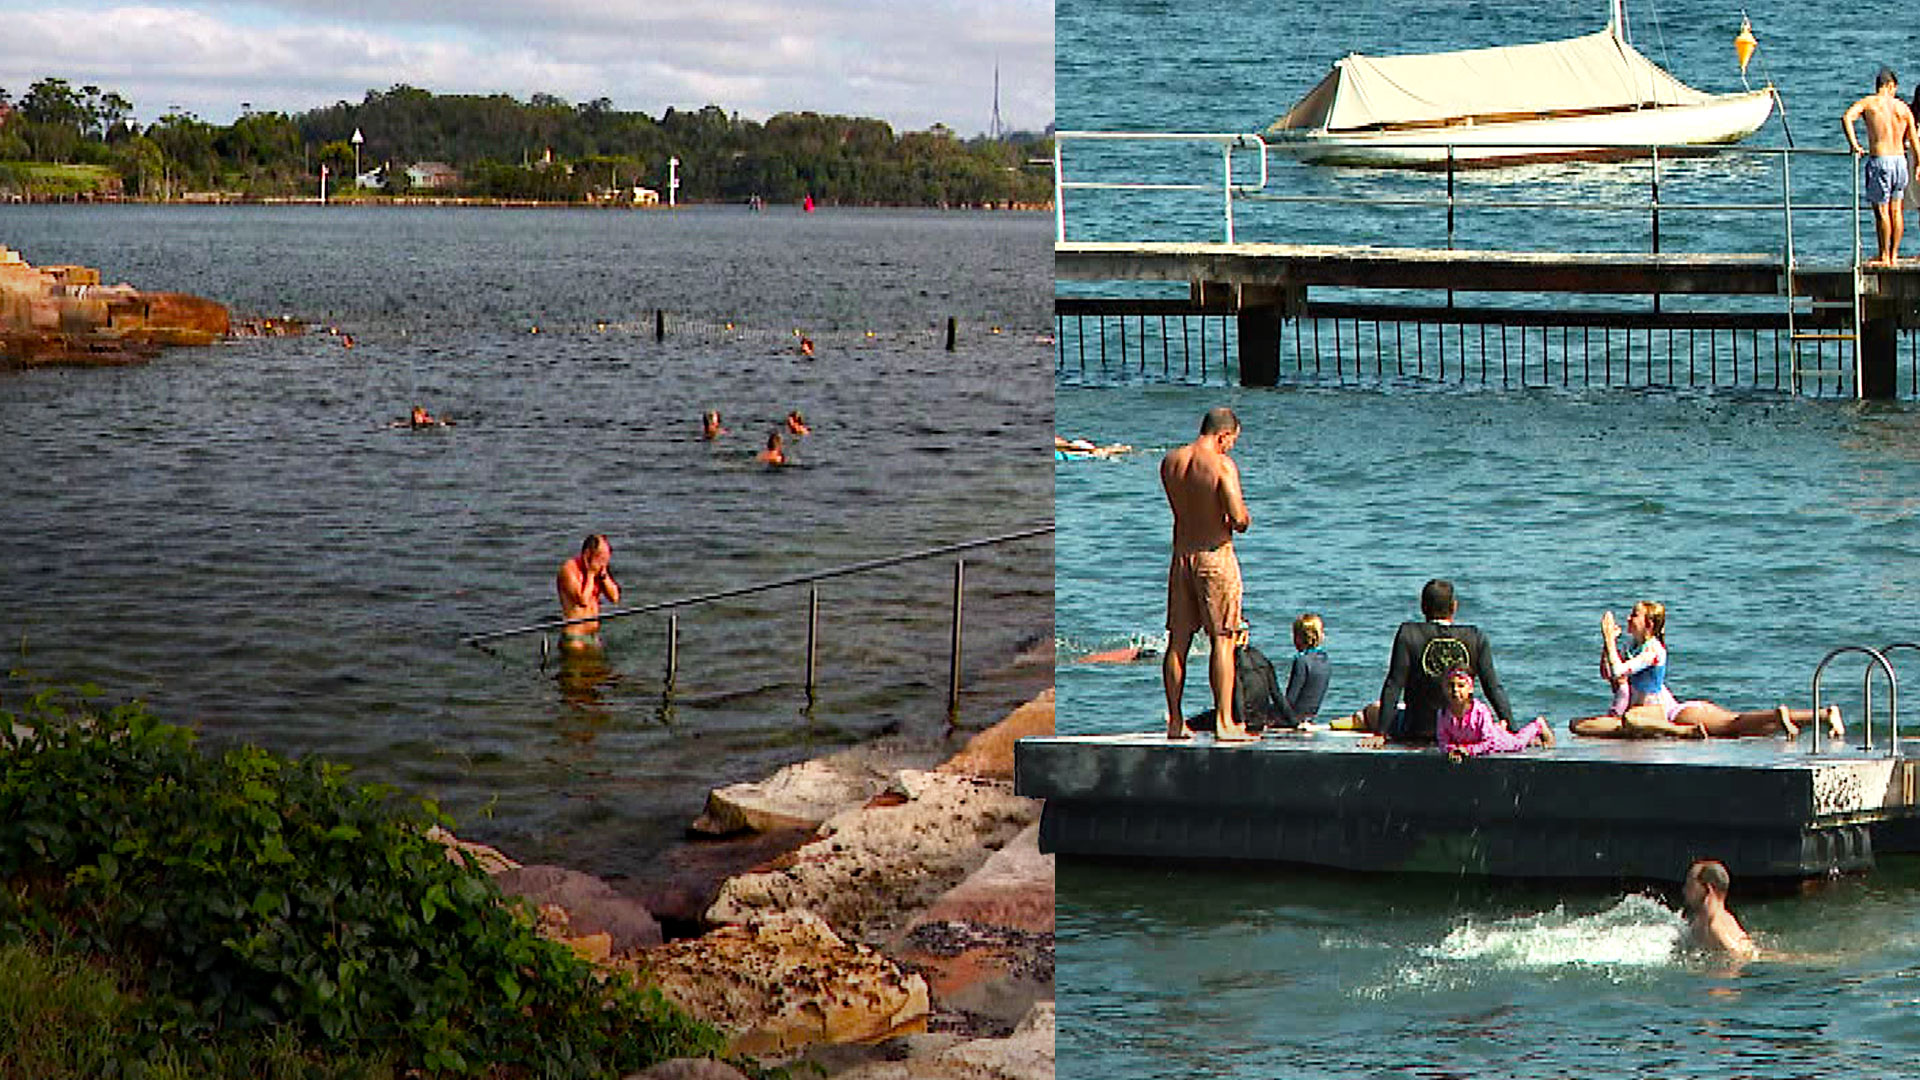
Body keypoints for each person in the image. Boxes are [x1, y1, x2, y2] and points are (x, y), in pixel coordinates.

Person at [1569, 601, 1841, 739]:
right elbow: (1610, 675)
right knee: (1579, 726)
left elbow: (1618, 672)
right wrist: (1609, 645)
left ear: (1649, 625)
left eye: (1634, 615)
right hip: (1651, 714)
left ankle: (1821, 714)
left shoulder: (1653, 651)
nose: (1629, 618)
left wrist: (1607, 640)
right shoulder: (1635, 647)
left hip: (1672, 714)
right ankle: (1804, 717)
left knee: (1735, 724)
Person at [1160, 407, 1251, 740]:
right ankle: (1224, 723)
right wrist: (1241, 520)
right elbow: (1238, 517)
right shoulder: (1221, 465)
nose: (1231, 448)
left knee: (1177, 642)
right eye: (1232, 442)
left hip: (1181, 556)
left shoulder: (1171, 462)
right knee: (1223, 639)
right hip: (1214, 557)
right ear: (1223, 435)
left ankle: (1175, 721)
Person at [1340, 579, 1519, 744]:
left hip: (1418, 729)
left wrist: (1381, 733)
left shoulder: (1408, 634)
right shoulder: (1475, 637)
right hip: (1461, 730)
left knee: (1373, 711)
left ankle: (1355, 720)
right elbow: (1493, 688)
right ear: (1454, 607)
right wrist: (1513, 730)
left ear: (1423, 607)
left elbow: (1394, 685)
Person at [1842, 68, 1920, 266]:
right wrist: (1919, 163)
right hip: (1900, 161)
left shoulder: (1869, 103)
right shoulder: (1903, 108)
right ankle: (1894, 256)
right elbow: (1913, 138)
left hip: (1881, 160)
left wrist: (1854, 144)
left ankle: (1884, 256)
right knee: (1897, 211)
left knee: (1881, 212)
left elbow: (1847, 117)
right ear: (1890, 85)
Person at [1437, 667, 1552, 759]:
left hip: (1496, 742)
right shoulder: (1443, 714)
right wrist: (1452, 750)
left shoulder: (1480, 711)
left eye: (1461, 686)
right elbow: (1442, 741)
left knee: (1518, 742)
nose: (1455, 690)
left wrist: (1468, 750)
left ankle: (1538, 725)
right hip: (1473, 741)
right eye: (1451, 685)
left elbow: (1489, 743)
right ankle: (1501, 728)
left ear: (1470, 689)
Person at [1682, 859, 1758, 960]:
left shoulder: (1716, 930)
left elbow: (1740, 959)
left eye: (1690, 885)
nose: (1684, 890)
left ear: (1708, 889)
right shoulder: (1703, 919)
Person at [556, 534, 621, 651]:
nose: (603, 563)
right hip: (575, 637)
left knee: (602, 668)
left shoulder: (600, 570)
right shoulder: (569, 570)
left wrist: (604, 576)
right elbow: (583, 601)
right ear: (587, 554)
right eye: (601, 558)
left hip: (593, 636)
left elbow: (615, 598)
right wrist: (590, 574)